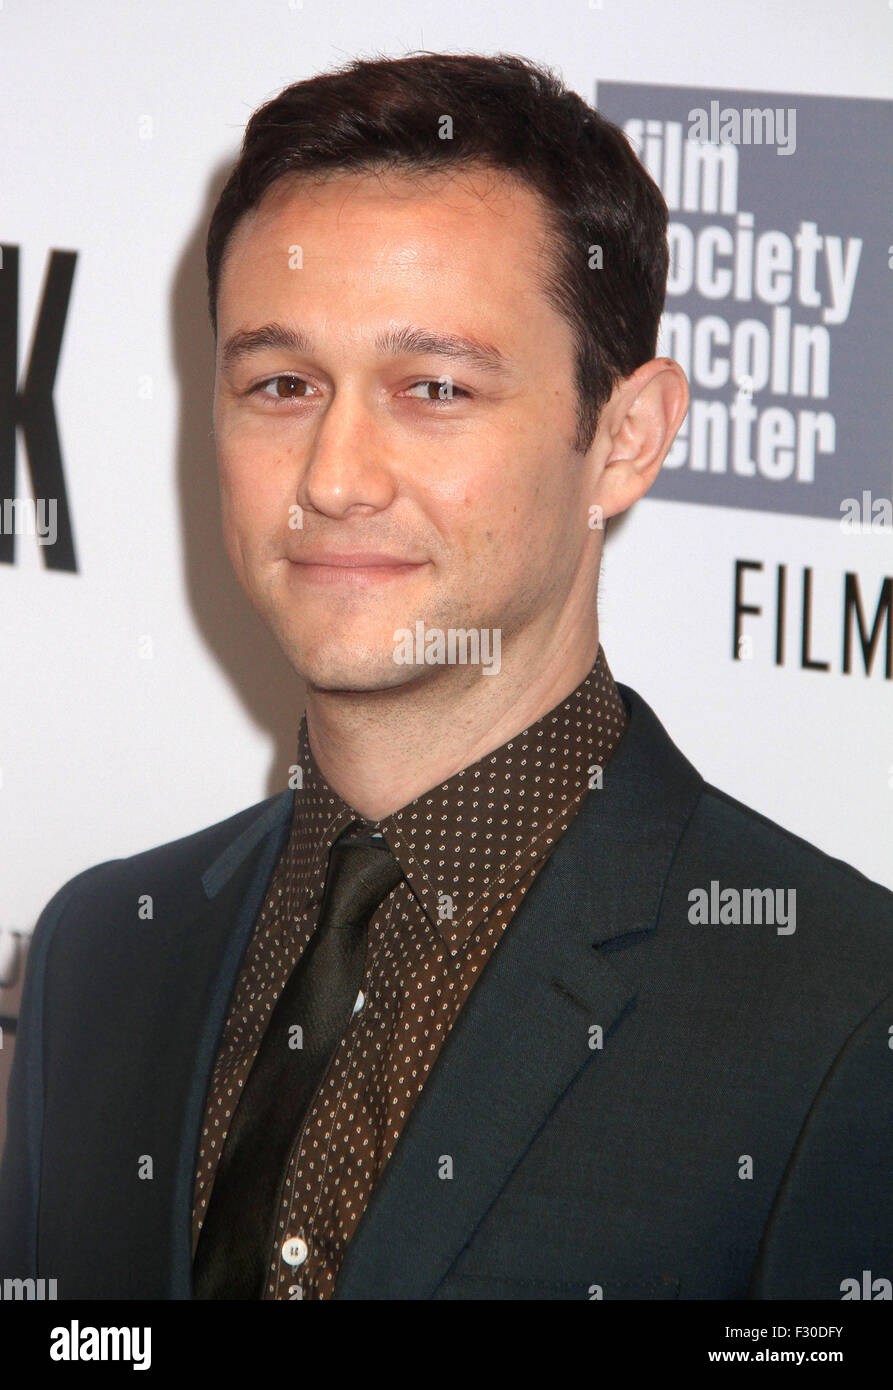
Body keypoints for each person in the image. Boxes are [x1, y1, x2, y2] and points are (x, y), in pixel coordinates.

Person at [1, 51, 891, 1302]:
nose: (334, 475)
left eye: (433, 388)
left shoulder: (840, 1014)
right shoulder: (104, 952)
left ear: (624, 440)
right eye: (280, 384)